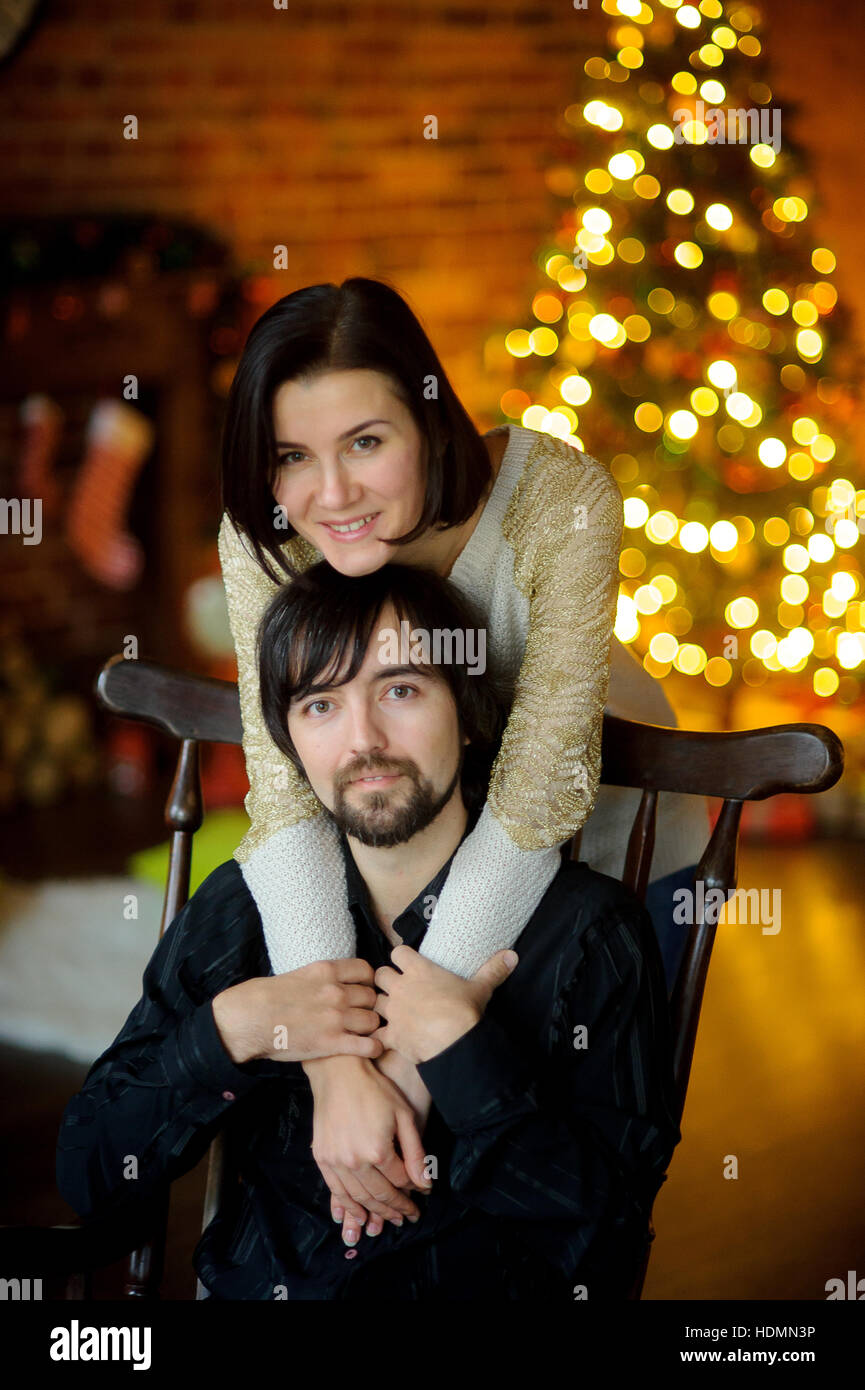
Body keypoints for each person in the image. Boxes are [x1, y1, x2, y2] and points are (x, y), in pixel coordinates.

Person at [56, 561, 680, 1300]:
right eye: (320, 705)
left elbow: (608, 1234)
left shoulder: (589, 931)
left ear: (469, 712)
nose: (364, 740)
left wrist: (465, 1058)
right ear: (289, 743)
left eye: (401, 689)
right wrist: (230, 1031)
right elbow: (91, 1172)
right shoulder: (245, 908)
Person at [218, 275, 704, 1214]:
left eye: (366, 441)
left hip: (606, 852)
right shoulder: (271, 536)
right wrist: (333, 1060)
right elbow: (282, 791)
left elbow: (540, 791)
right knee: (389, 1171)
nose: (333, 494)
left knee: (559, 1174)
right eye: (292, 456)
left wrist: (404, 1059)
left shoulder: (556, 498)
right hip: (415, 863)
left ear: (430, 422)